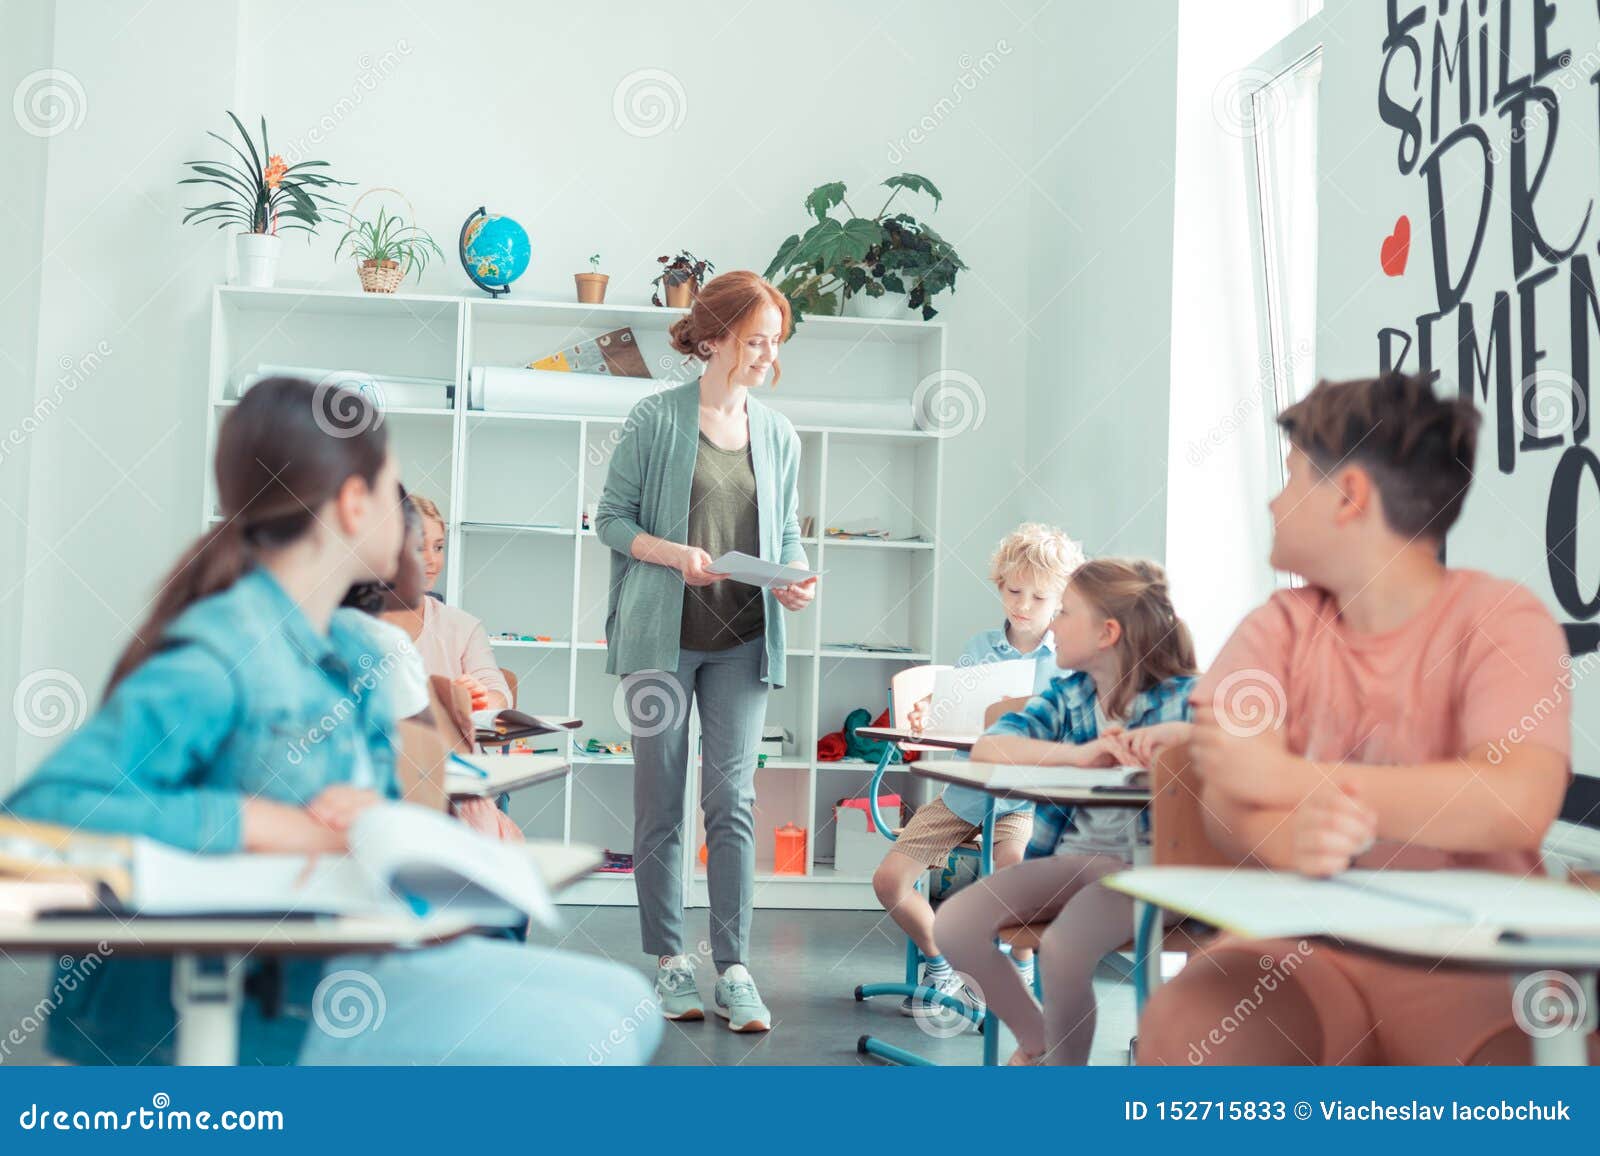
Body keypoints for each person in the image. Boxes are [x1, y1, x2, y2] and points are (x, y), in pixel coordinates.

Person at [2, 377, 659, 1066]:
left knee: (626, 1003)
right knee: (581, 1041)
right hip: (241, 1005)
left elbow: (346, 819)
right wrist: (258, 823)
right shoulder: (223, 648)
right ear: (352, 505)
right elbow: (39, 817)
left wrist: (374, 817)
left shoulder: (348, 654)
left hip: (332, 964)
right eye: (391, 490)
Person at [1137, 371, 1595, 1065]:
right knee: (1192, 1023)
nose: (1272, 500)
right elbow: (1231, 796)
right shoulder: (1276, 629)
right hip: (1306, 946)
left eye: (1290, 479)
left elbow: (1515, 801)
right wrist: (1292, 840)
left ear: (1349, 496)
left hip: (1480, 959)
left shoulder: (1502, 618)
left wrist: (1290, 776)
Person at [594, 270, 813, 1031]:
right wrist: (668, 552)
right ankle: (669, 961)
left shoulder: (779, 433)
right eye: (755, 341)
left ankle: (735, 968)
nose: (766, 356)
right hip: (661, 638)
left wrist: (793, 581)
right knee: (660, 803)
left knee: (733, 803)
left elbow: (785, 532)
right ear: (713, 338)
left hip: (742, 641)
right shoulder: (655, 419)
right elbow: (611, 520)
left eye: (774, 343)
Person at [934, 558, 1196, 1064]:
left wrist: (1177, 738)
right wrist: (1077, 755)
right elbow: (992, 747)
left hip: (1147, 872)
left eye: (1065, 612)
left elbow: (1249, 742)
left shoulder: (1183, 697)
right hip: (1074, 862)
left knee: (1062, 949)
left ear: (1107, 633)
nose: (1051, 621)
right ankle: (1038, 1041)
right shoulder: (1069, 695)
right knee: (956, 925)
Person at [871, 523, 1084, 1016]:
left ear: (1061, 601)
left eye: (1038, 596)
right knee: (889, 881)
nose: (1023, 605)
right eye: (1014, 590)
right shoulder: (981, 647)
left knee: (1023, 882)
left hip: (1021, 801)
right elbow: (954, 720)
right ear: (999, 584)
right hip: (964, 794)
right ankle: (941, 964)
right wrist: (933, 717)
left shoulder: (1068, 661)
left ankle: (1020, 969)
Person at [387, 493, 512, 712]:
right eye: (418, 547)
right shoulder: (352, 626)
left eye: (438, 547)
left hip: (450, 746)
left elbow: (500, 696)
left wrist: (480, 698)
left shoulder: (463, 627)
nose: (432, 560)